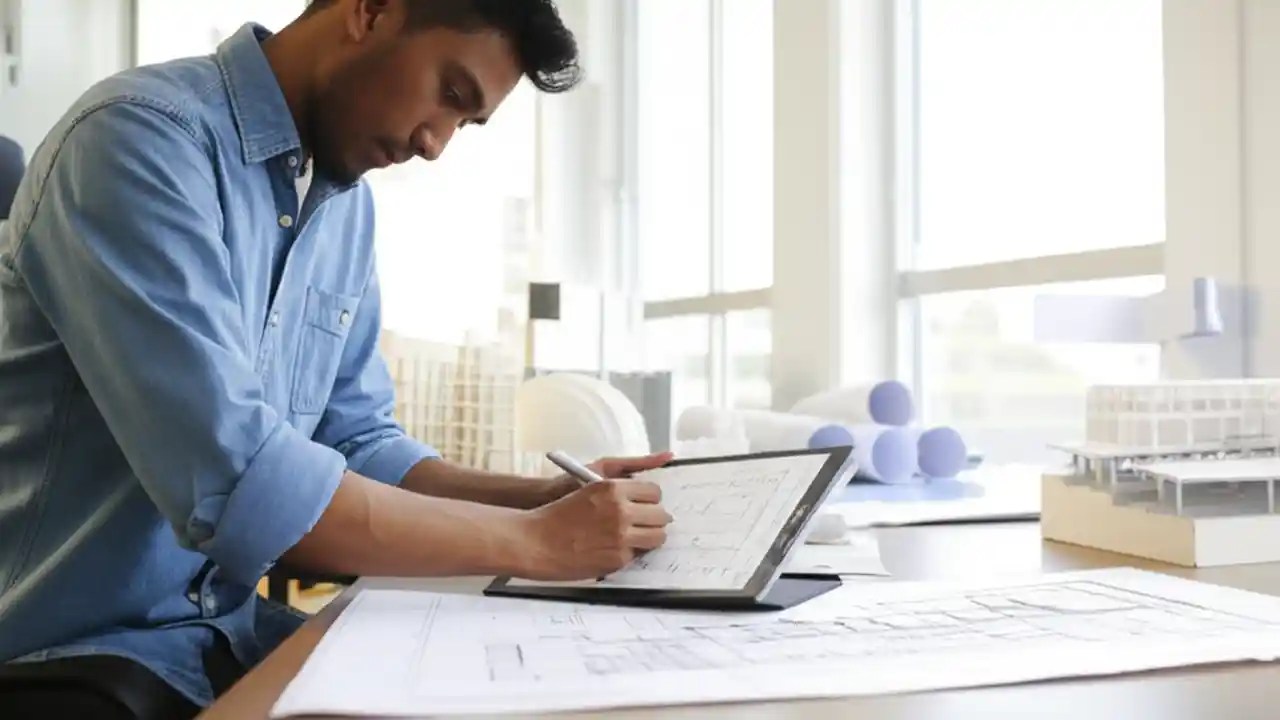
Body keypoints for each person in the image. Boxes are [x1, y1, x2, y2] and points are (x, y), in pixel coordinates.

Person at [0, 1, 672, 716]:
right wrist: (537, 544)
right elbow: (242, 482)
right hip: (68, 661)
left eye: (466, 124)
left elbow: (356, 442)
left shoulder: (342, 209)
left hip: (219, 637)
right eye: (450, 93)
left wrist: (541, 499)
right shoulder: (136, 142)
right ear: (373, 12)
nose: (438, 142)